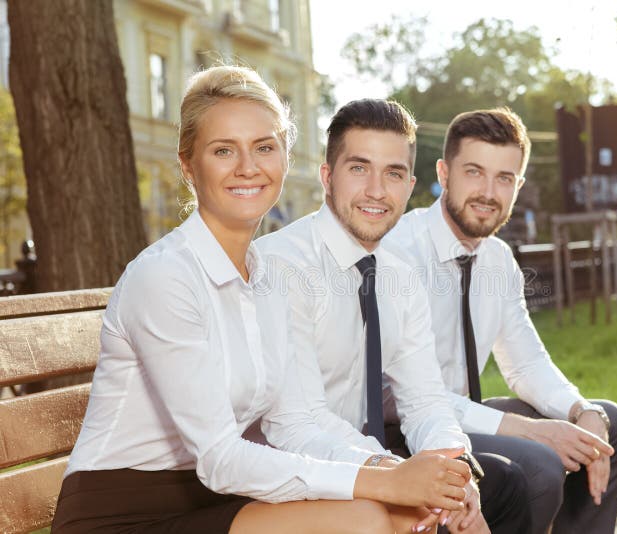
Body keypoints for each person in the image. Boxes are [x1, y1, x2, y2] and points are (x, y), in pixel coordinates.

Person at [51, 66, 473, 534]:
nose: (248, 167)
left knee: (405, 514)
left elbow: (298, 422)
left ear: (285, 160)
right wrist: (383, 482)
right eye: (223, 150)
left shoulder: (271, 278)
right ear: (189, 165)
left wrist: (397, 471)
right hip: (121, 512)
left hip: (216, 500)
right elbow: (221, 459)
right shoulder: (165, 276)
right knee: (369, 518)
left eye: (264, 148)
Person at [256, 99, 531, 534]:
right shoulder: (281, 266)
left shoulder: (399, 276)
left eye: (394, 174)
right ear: (328, 177)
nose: (377, 191)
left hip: (361, 462)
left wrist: (455, 470)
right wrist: (399, 475)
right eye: (359, 168)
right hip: (291, 474)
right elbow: (298, 426)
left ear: (412, 184)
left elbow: (424, 401)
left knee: (503, 484)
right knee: (424, 509)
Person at [385, 108, 617, 534]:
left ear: (518, 187)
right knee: (538, 463)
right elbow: (404, 396)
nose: (488, 192)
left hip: (465, 412)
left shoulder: (498, 259)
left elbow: (525, 364)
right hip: (405, 427)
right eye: (474, 172)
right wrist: (530, 431)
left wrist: (583, 409)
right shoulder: (401, 252)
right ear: (444, 174)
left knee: (612, 426)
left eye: (504, 178)